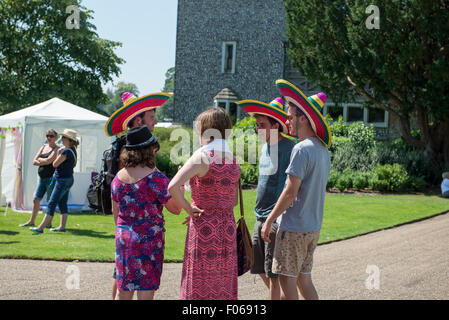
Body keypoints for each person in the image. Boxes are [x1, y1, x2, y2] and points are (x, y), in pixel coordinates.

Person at [261, 79, 332, 300]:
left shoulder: (301, 149)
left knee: (286, 278)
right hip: (313, 226)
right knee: (304, 279)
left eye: (290, 117)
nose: (287, 121)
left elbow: (290, 192)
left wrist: (270, 219)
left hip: (294, 226)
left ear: (303, 118)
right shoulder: (322, 150)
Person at [105, 91, 172, 299]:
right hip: (143, 236)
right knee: (124, 283)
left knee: (122, 283)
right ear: (138, 119)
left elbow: (116, 204)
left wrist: (124, 230)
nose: (155, 122)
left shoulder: (126, 152)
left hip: (125, 234)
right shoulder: (133, 153)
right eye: (151, 117)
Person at [168, 107, 240, 300]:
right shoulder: (233, 160)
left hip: (205, 227)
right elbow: (233, 201)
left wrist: (189, 208)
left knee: (200, 279)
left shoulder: (202, 157)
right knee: (222, 280)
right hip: (227, 226)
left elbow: (172, 186)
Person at [111, 126, 182, 300]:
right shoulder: (156, 179)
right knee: (146, 291)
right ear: (148, 150)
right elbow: (176, 209)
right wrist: (179, 183)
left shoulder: (118, 178)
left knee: (123, 291)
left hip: (124, 238)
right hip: (149, 241)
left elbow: (115, 213)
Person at [237, 97, 295, 299]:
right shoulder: (264, 148)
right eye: (256, 125)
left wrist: (275, 218)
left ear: (275, 125)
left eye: (261, 125)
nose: (257, 129)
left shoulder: (289, 148)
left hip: (276, 219)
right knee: (256, 263)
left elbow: (292, 186)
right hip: (260, 216)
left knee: (274, 274)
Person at [30, 129, 80, 234]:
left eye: (64, 137)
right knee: (62, 203)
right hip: (68, 179)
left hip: (62, 181)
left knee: (52, 203)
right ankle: (62, 226)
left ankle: (41, 228)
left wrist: (58, 152)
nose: (61, 139)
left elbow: (54, 164)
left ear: (69, 140)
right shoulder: (72, 149)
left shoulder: (65, 151)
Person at [19, 129, 59, 227]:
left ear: (56, 138)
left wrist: (40, 160)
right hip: (42, 178)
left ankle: (48, 223)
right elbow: (34, 161)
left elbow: (49, 161)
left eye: (51, 136)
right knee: (36, 199)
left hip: (51, 179)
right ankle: (31, 221)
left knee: (50, 201)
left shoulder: (57, 149)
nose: (49, 138)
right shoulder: (43, 147)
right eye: (47, 136)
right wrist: (42, 160)